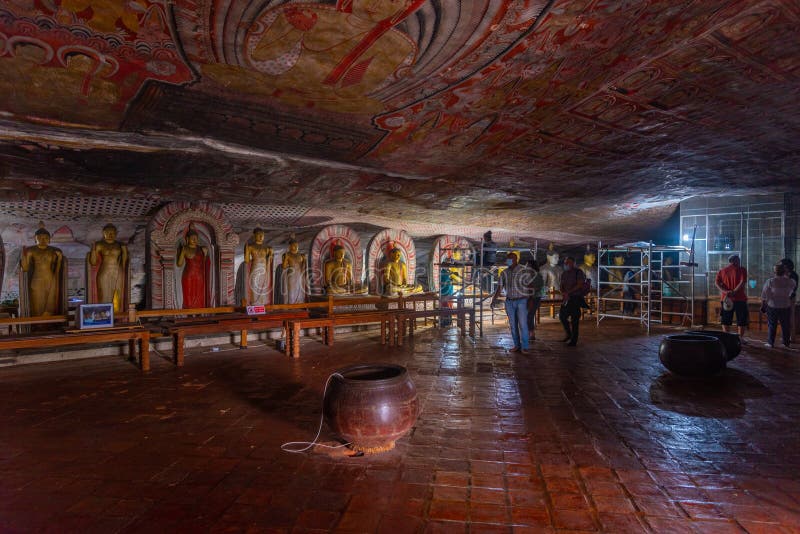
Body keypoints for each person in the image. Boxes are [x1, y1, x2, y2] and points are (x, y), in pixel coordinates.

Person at [491, 251, 533, 353]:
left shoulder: (523, 271)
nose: (508, 261)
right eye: (508, 259)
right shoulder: (504, 272)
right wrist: (494, 299)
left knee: (523, 324)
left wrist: (531, 300)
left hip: (522, 300)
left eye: (510, 259)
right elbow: (500, 287)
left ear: (515, 260)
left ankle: (525, 347)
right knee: (513, 325)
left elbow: (530, 286)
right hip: (509, 301)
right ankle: (517, 345)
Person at [20, 226, 64, 316]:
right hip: (36, 279)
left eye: (46, 238)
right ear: (35, 239)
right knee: (36, 303)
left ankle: (50, 325)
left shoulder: (54, 251)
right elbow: (25, 268)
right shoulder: (30, 250)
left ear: (49, 239)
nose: (43, 240)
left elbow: (58, 269)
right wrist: (24, 255)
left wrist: (59, 258)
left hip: (50, 279)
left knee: (51, 303)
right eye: (40, 238)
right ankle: (37, 325)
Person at [88, 223, 128, 313]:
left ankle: (116, 316)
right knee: (104, 295)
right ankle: (104, 315)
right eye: (108, 232)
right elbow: (93, 262)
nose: (110, 235)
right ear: (103, 233)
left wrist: (124, 251)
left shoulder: (120, 245)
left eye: (113, 233)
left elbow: (124, 263)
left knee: (118, 294)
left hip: (117, 271)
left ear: (116, 233)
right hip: (104, 272)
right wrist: (93, 250)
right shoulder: (99, 244)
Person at [761, 262, 796, 349]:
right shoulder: (790, 281)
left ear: (774, 272)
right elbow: (793, 288)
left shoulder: (770, 281)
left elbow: (765, 295)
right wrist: (787, 275)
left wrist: (763, 305)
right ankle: (786, 343)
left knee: (772, 325)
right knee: (785, 325)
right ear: (784, 271)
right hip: (785, 306)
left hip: (773, 306)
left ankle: (770, 342)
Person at [715, 254, 748, 339]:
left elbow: (717, 283)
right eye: (738, 260)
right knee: (741, 319)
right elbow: (742, 282)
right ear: (732, 261)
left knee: (726, 319)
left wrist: (725, 292)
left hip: (726, 299)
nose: (739, 261)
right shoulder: (742, 270)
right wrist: (734, 291)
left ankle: (726, 337)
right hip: (739, 298)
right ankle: (740, 338)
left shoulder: (722, 271)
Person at [177, 229, 210, 309]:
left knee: (199, 294)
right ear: (187, 239)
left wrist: (205, 254)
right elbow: (179, 264)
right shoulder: (185, 249)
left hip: (199, 276)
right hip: (188, 275)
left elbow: (204, 263)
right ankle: (189, 314)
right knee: (188, 295)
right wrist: (181, 251)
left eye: (196, 238)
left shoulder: (202, 249)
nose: (195, 240)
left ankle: (199, 314)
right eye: (192, 238)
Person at [559, 256, 588, 346]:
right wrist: (563, 292)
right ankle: (569, 334)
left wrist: (569, 292)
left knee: (575, 320)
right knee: (562, 316)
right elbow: (561, 284)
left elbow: (580, 284)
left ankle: (574, 340)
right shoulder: (564, 273)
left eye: (568, 263)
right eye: (565, 263)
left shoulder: (578, 272)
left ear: (573, 263)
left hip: (575, 298)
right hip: (566, 298)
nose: (566, 264)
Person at [244, 228, 273, 306]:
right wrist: (246, 250)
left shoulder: (267, 247)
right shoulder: (250, 246)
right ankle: (254, 303)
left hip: (264, 269)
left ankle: (261, 304)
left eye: (262, 235)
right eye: (259, 234)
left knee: (263, 287)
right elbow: (246, 260)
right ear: (254, 235)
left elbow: (269, 261)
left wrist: (270, 255)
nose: (261, 236)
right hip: (255, 268)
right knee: (254, 286)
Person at [281, 238, 307, 304]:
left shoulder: (301, 255)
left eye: (297, 245)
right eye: (294, 245)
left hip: (299, 275)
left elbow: (304, 267)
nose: (296, 247)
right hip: (291, 275)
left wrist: (304, 261)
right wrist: (286, 258)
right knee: (291, 291)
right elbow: (283, 267)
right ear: (290, 246)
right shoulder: (287, 255)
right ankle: (291, 304)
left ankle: (299, 303)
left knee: (299, 290)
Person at [779, 258, 798, 342]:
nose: (780, 266)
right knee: (784, 318)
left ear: (786, 265)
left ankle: (792, 337)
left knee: (790, 317)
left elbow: (793, 288)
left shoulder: (793, 275)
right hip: (783, 298)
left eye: (781, 265)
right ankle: (786, 336)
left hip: (790, 298)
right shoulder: (783, 274)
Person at [526, 260, 544, 340]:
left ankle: (531, 333)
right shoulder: (528, 275)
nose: (526, 267)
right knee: (528, 316)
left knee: (529, 316)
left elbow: (536, 288)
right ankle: (529, 332)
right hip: (529, 297)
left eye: (528, 265)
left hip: (534, 298)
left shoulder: (537, 276)